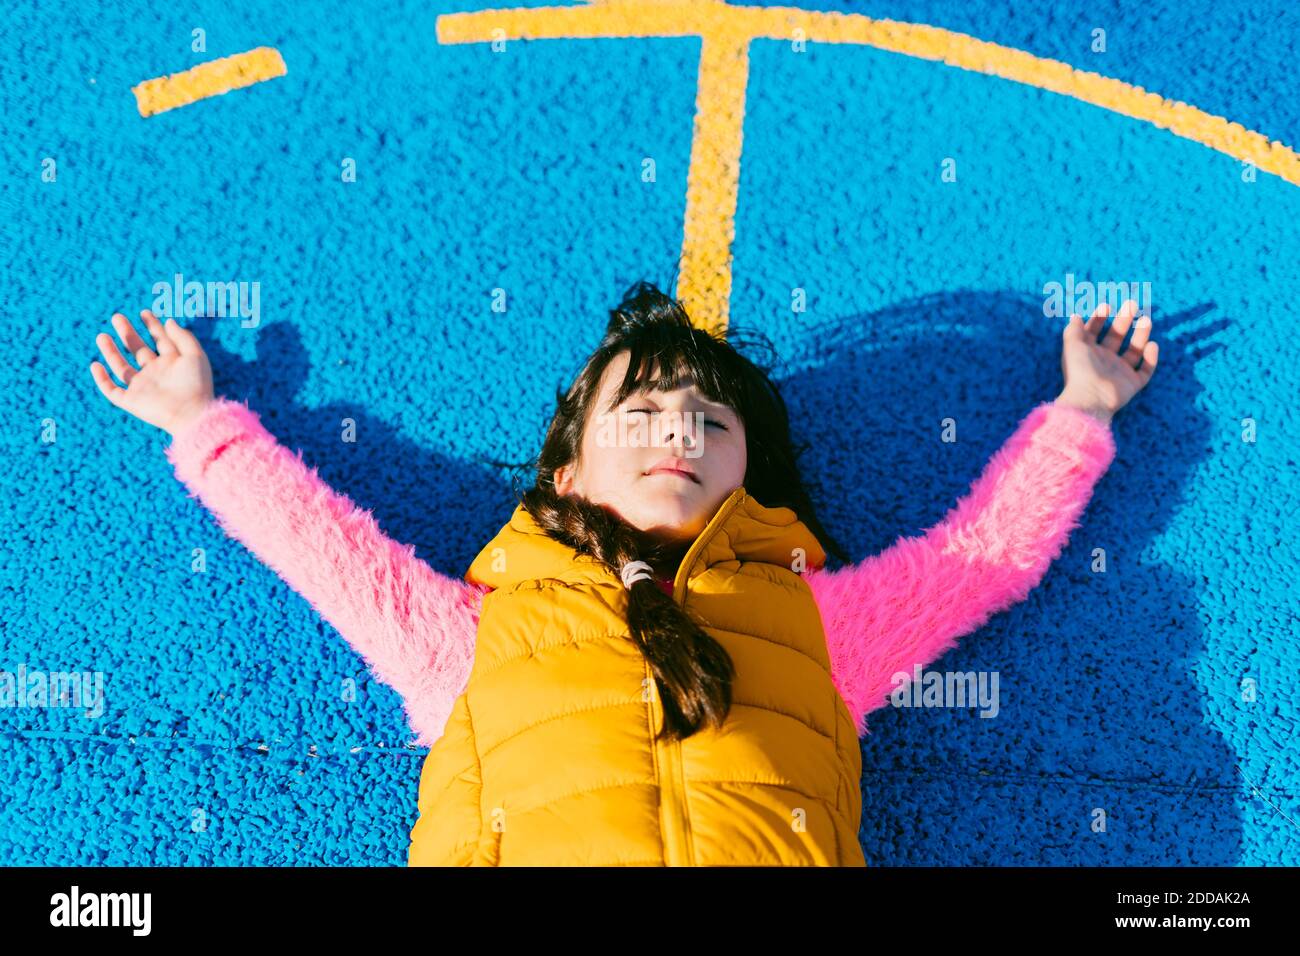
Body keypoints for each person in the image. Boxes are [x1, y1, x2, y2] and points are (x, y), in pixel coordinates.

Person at [88, 279, 1157, 866]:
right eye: (637, 413)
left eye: (709, 418)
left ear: (749, 467)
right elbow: (323, 548)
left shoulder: (820, 621)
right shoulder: (481, 629)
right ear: (569, 467)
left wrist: (1085, 407)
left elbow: (980, 557)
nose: (677, 431)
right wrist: (200, 421)